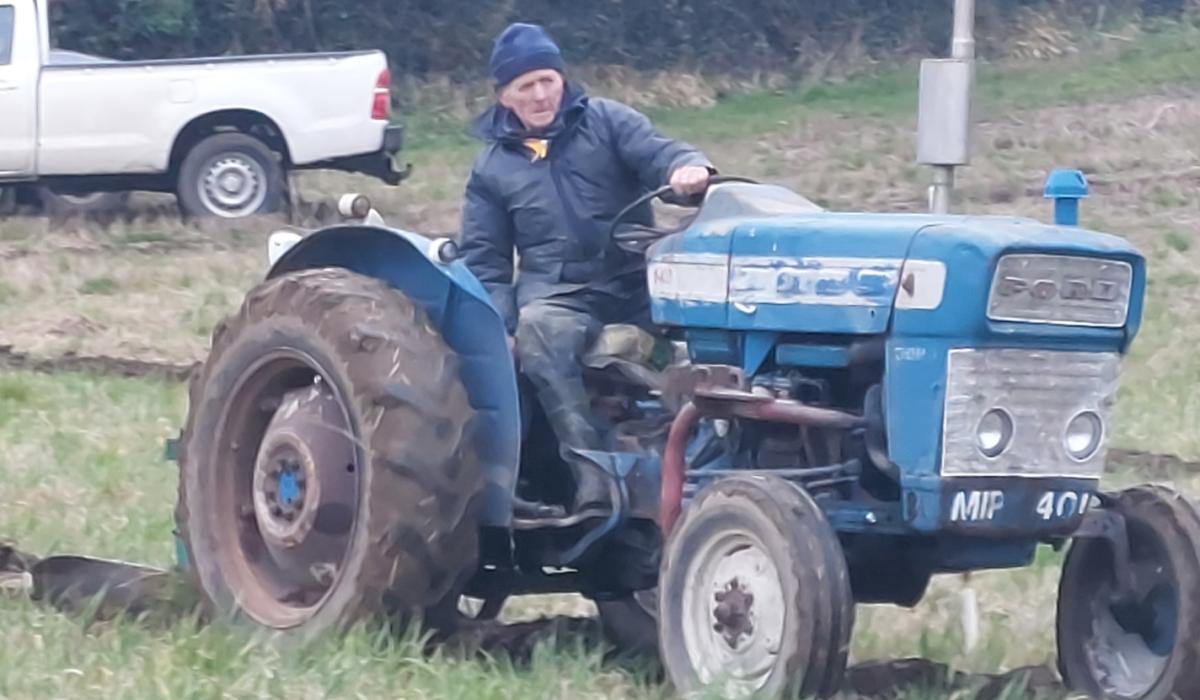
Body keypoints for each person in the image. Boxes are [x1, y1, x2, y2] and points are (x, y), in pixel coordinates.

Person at [458, 22, 715, 513]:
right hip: (559, 297)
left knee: (708, 329)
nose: (539, 96)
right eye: (524, 87)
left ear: (562, 78)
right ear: (504, 96)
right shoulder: (491, 168)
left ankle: (701, 457)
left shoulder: (608, 122)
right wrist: (502, 326)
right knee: (537, 331)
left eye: (547, 81)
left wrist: (689, 168)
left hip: (635, 282)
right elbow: (486, 262)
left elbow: (663, 153)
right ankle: (594, 474)